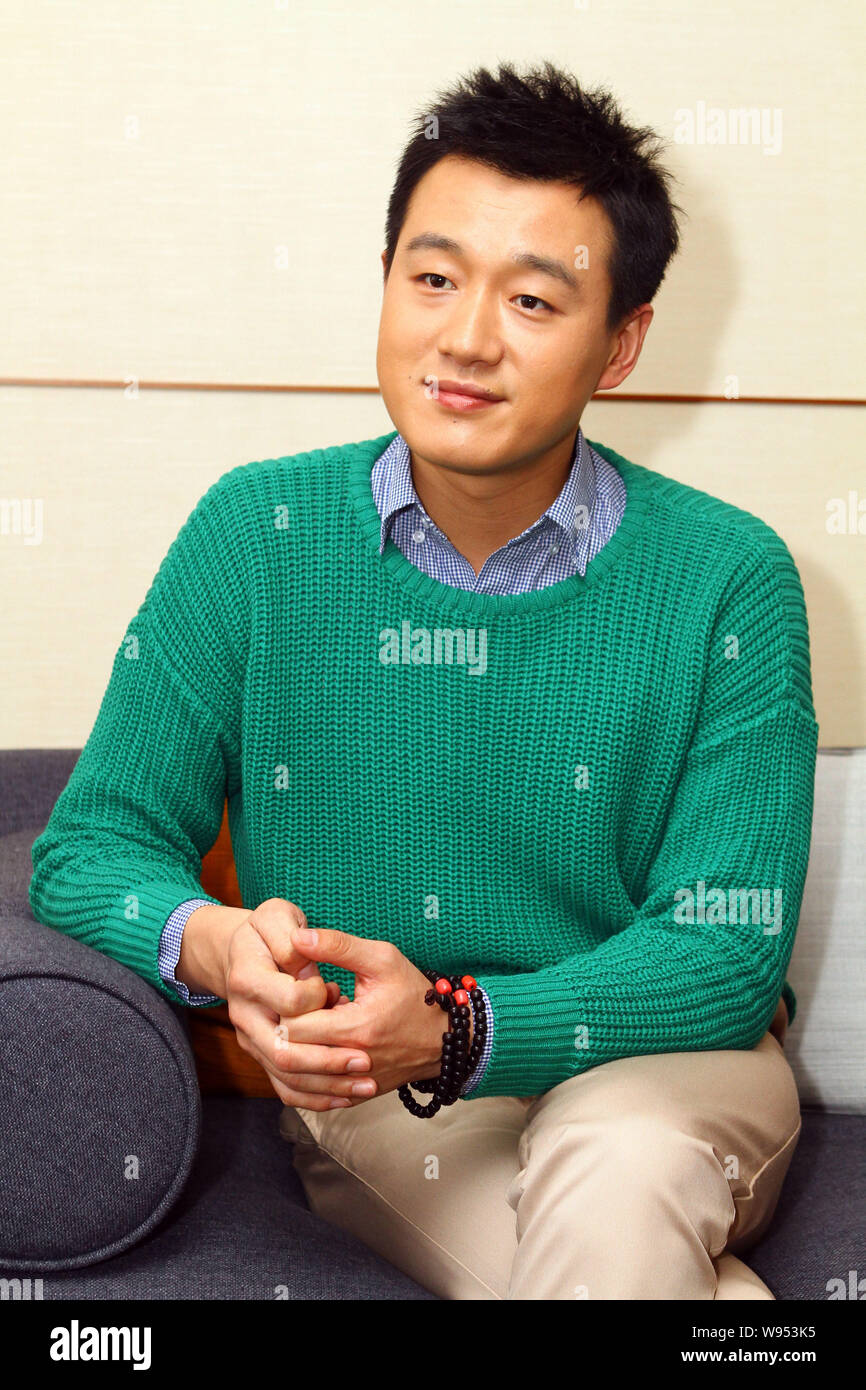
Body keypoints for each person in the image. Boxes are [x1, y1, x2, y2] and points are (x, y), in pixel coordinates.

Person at [30, 61, 818, 1300]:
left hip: (670, 1068)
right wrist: (217, 939)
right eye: (433, 277)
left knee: (612, 1168)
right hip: (391, 1098)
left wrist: (462, 1025)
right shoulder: (254, 535)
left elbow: (720, 953)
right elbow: (93, 845)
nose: (464, 338)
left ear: (620, 345)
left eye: (532, 302)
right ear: (386, 281)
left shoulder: (729, 577)